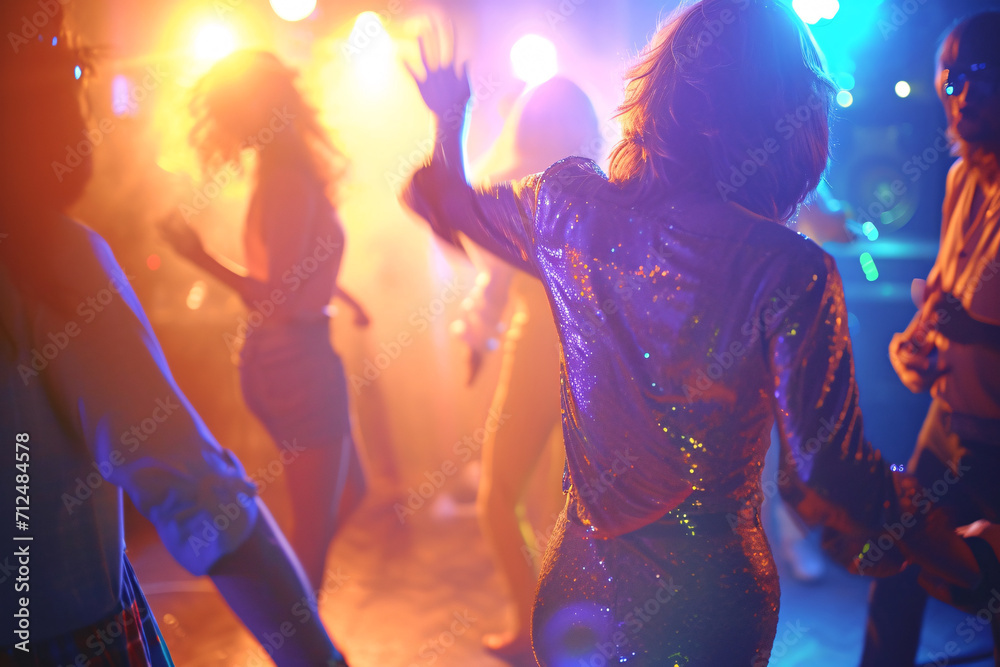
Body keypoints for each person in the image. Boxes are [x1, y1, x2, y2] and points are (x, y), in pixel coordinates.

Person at [400, 3, 983, 664]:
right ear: (788, 115)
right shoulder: (788, 268)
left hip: (580, 584)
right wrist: (955, 548)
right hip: (706, 601)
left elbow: (439, 199)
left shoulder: (569, 205)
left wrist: (449, 120)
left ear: (663, 91)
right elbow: (825, 471)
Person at [0, 4, 347, 665]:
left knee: (336, 499)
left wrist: (335, 295)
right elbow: (194, 488)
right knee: (316, 517)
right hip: (298, 359)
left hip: (297, 349)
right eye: (73, 68)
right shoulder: (48, 263)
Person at [160, 50, 368, 595]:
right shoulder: (288, 182)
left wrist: (346, 299)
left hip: (287, 354)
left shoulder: (284, 178)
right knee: (316, 525)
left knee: (349, 495)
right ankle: (302, 640)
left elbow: (300, 266)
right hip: (295, 360)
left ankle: (292, 610)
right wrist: (199, 256)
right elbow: (278, 295)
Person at [861, 11, 1000, 666]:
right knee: (896, 571)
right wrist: (916, 347)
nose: (963, 94)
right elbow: (944, 297)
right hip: (947, 422)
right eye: (952, 78)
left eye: (982, 74)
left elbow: (971, 317)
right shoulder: (960, 179)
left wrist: (975, 332)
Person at [449, 77, 602, 657]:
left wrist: (479, 336)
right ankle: (563, 629)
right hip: (593, 357)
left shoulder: (521, 195)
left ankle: (536, 628)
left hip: (541, 348)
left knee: (502, 496)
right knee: (572, 506)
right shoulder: (601, 193)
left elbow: (491, 277)